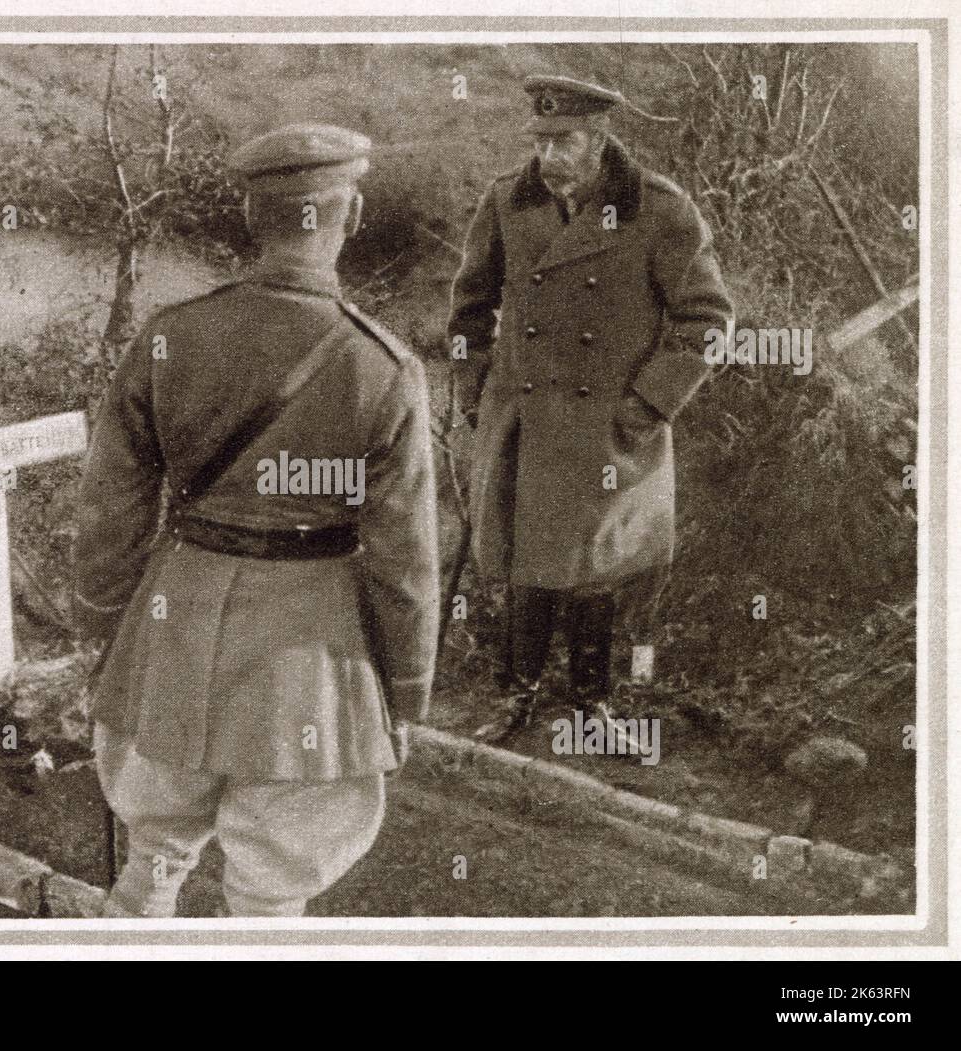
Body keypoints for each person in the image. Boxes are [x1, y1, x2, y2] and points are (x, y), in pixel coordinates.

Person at [71, 124, 440, 917]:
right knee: (272, 891)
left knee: (151, 856)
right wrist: (406, 689)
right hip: (311, 660)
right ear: (353, 216)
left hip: (172, 626)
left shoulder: (170, 336)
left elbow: (110, 508)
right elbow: (405, 561)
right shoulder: (384, 367)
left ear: (249, 214)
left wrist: (103, 625)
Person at [446, 75, 734, 742]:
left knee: (596, 566)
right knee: (525, 556)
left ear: (600, 139)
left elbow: (707, 319)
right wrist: (474, 389)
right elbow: (468, 308)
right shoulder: (506, 201)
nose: (548, 156)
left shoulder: (658, 209)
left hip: (609, 424)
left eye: (565, 141)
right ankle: (516, 695)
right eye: (541, 141)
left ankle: (591, 706)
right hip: (523, 417)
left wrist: (647, 405)